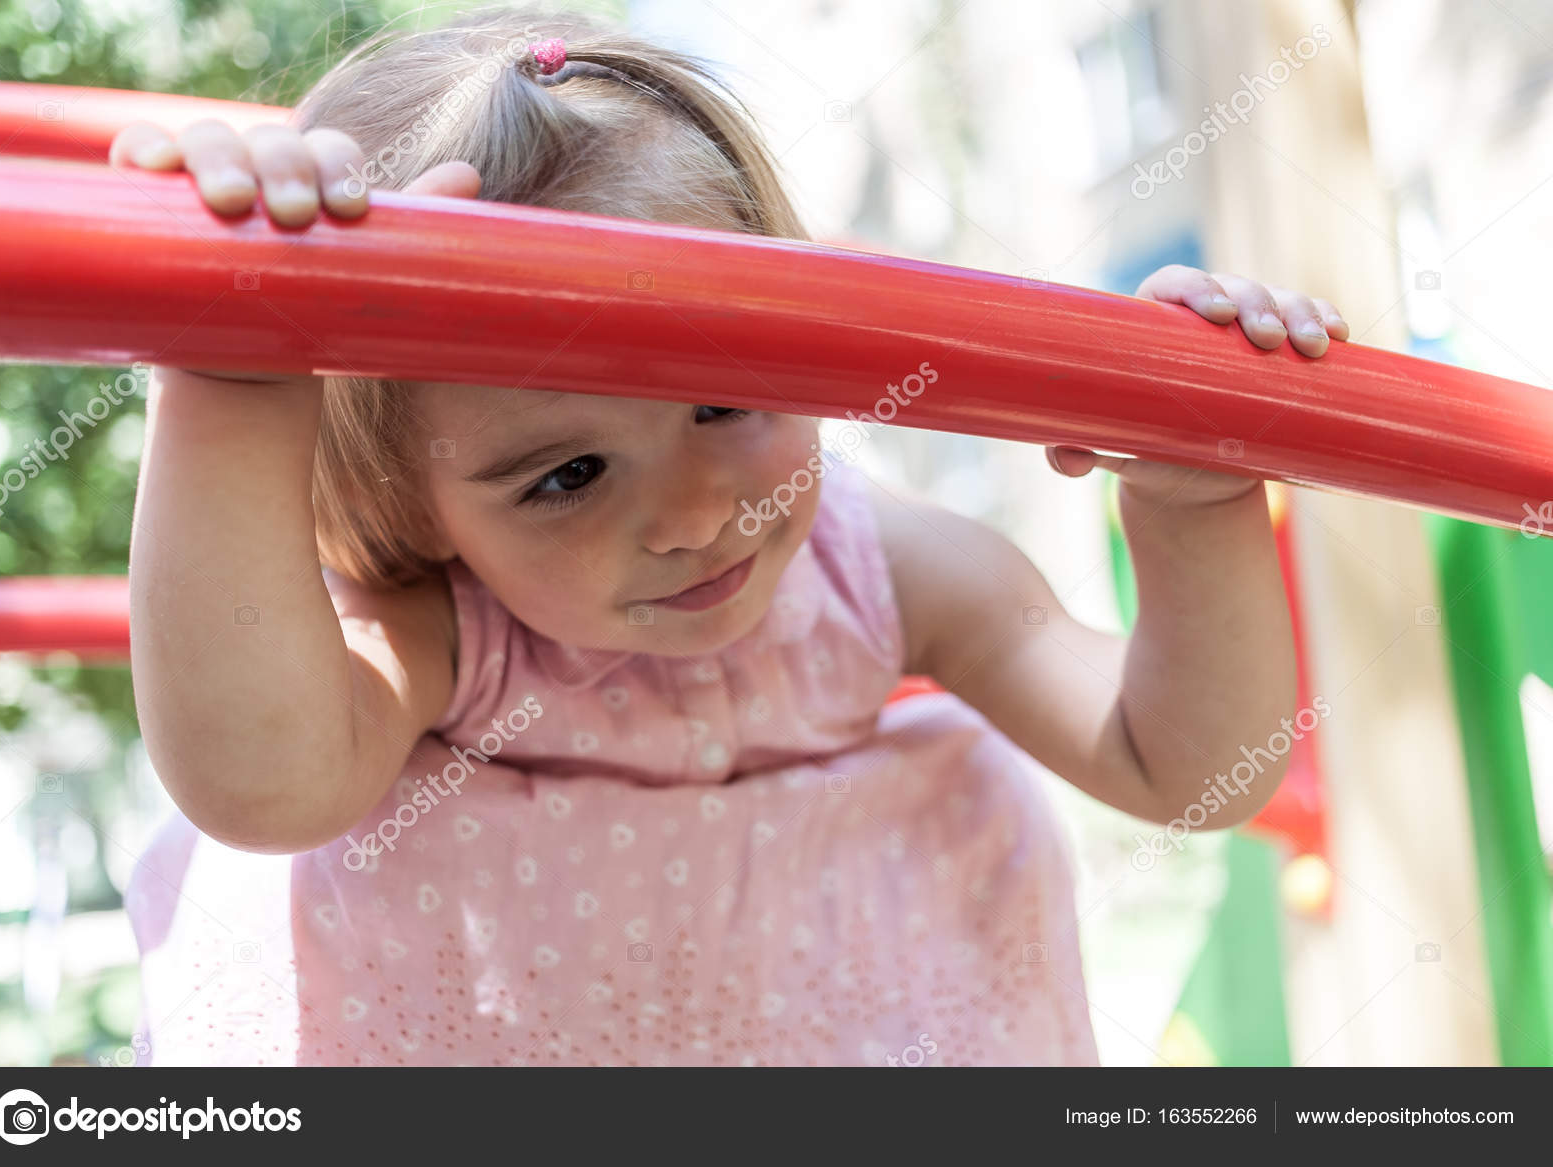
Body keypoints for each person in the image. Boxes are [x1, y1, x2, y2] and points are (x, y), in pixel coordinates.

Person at [112, 4, 1349, 1066]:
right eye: (569, 475)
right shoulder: (445, 630)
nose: (699, 515)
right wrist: (238, 390)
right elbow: (263, 785)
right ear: (414, 507)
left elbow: (1193, 769)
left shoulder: (880, 569)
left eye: (725, 403)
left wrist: (1194, 507)